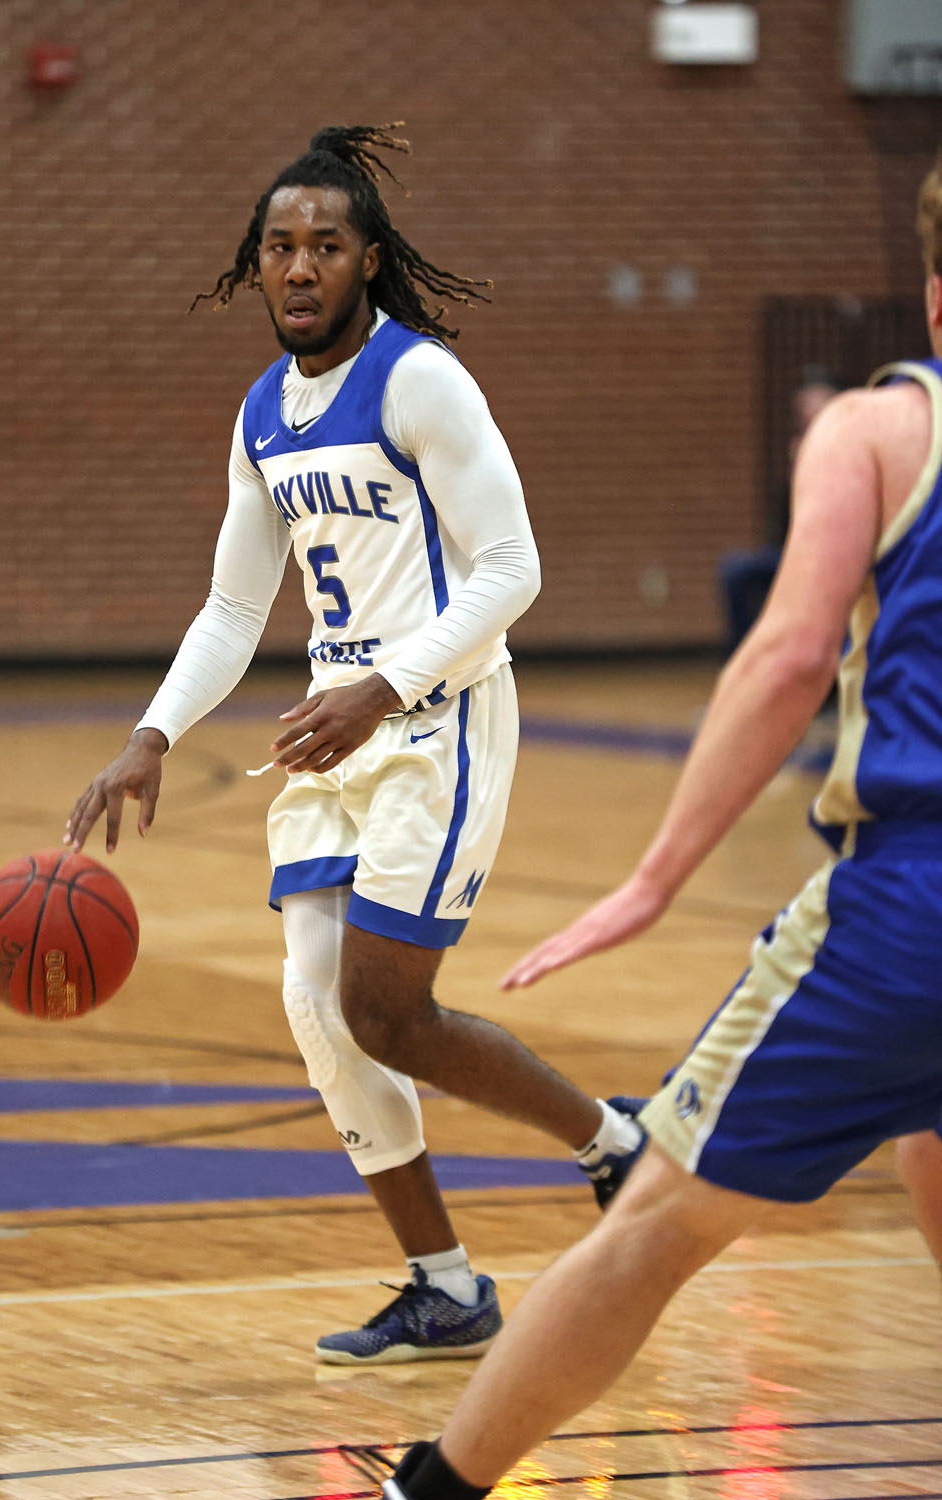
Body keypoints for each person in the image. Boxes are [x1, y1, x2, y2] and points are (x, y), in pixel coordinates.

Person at [379, 162, 942, 1496]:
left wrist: (650, 879)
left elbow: (788, 653)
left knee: (653, 1224)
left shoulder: (878, 431)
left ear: (932, 299)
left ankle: (431, 1488)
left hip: (911, 907)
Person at [63, 125, 646, 1366]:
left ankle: (615, 1144)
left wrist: (381, 689)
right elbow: (232, 608)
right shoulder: (264, 415)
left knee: (385, 1010)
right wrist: (151, 736)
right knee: (317, 1012)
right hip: (334, 731)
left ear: (367, 263)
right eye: (279, 247)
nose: (299, 266)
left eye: (325, 244)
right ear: (255, 265)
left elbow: (512, 569)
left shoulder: (419, 381)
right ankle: (444, 1286)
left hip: (436, 718)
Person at [719, 364, 844, 656]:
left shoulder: (844, 447)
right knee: (734, 570)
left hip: (831, 555)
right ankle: (743, 659)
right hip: (792, 552)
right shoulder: (799, 449)